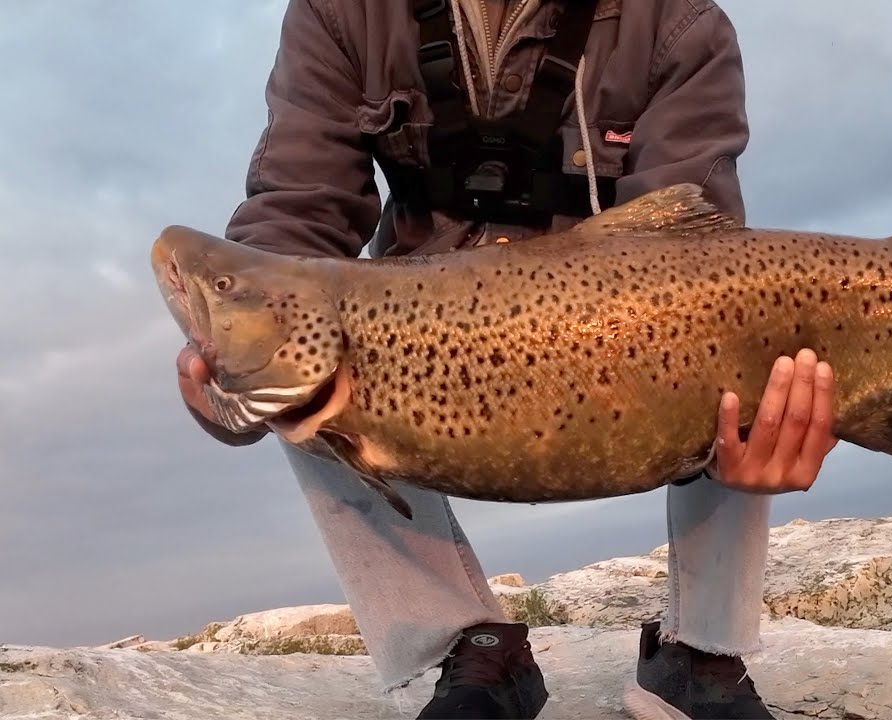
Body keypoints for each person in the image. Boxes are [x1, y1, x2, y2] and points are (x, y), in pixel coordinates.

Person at [174, 0, 839, 718]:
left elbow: (700, 240)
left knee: (740, 317)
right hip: (425, 320)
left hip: (625, 318)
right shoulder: (341, 13)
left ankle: (701, 651)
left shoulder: (679, 21)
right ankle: (473, 648)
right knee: (307, 369)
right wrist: (226, 377)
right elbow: (296, 216)